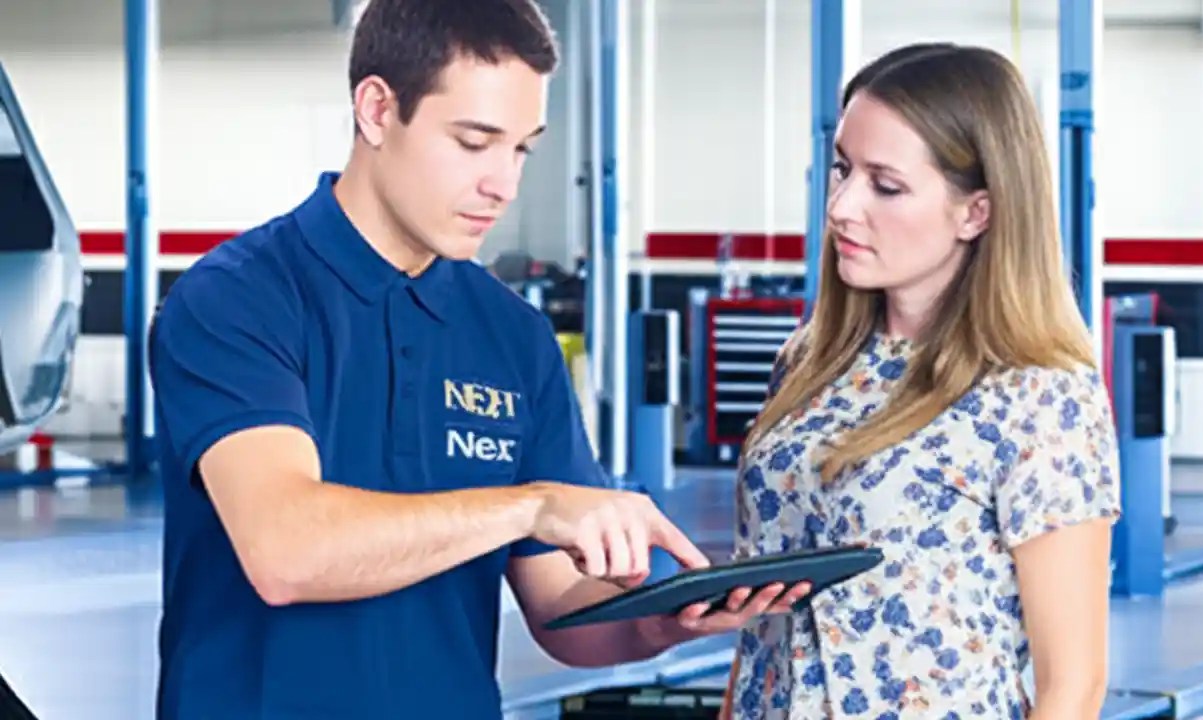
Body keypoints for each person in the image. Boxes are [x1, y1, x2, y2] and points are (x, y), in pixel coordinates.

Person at [147, 1, 810, 718]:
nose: (506, 183)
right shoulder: (238, 297)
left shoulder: (513, 337)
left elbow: (558, 603)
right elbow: (287, 552)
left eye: (521, 148)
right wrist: (531, 506)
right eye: (473, 142)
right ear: (376, 110)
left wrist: (658, 620)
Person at [721, 43, 1121, 719]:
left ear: (978, 212)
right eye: (842, 170)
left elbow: (1072, 686)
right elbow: (760, 639)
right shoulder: (808, 363)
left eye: (886, 184)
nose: (842, 206)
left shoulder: (1039, 395)